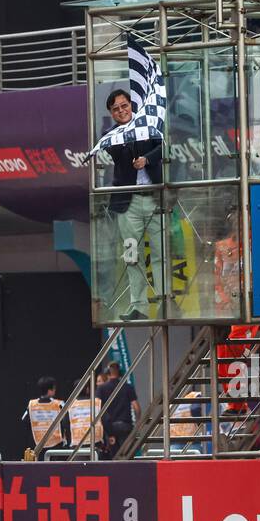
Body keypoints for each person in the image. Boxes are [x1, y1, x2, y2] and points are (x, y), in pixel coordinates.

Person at [103, 89, 164, 321]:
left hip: (154, 198)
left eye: (124, 106)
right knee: (131, 254)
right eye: (116, 109)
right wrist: (131, 136)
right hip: (128, 203)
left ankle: (163, 299)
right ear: (112, 113)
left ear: (131, 105)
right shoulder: (111, 136)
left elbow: (162, 146)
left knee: (160, 252)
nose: (122, 111)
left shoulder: (149, 125)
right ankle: (138, 305)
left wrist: (147, 159)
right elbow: (119, 153)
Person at [95, 362, 139, 459]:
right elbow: (136, 407)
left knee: (114, 458)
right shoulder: (127, 387)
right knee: (128, 457)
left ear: (107, 373)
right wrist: (138, 424)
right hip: (126, 426)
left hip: (110, 428)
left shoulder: (101, 388)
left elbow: (97, 409)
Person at [24, 375, 67, 452]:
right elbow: (66, 420)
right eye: (54, 389)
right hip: (56, 445)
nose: (55, 390)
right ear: (49, 390)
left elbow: (24, 420)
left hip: (37, 445)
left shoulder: (32, 405)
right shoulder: (59, 404)